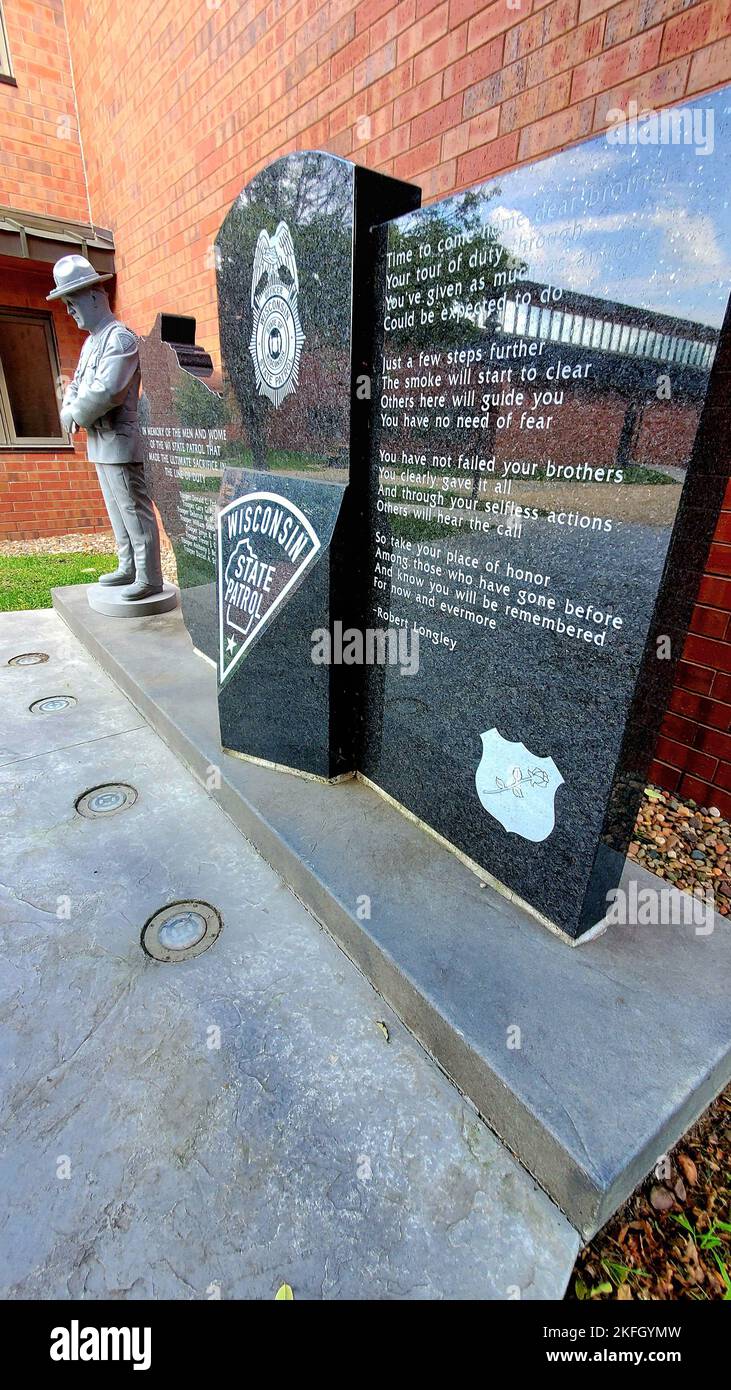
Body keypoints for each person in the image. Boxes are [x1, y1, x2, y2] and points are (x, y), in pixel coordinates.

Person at [48, 254, 163, 600]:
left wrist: (76, 413)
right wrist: (70, 407)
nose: (69, 311)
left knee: (133, 511)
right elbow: (79, 386)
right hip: (101, 443)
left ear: (96, 297)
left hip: (121, 442)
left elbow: (108, 390)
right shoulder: (90, 343)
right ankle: (128, 566)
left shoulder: (120, 339)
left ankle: (149, 577)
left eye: (73, 301)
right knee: (117, 512)